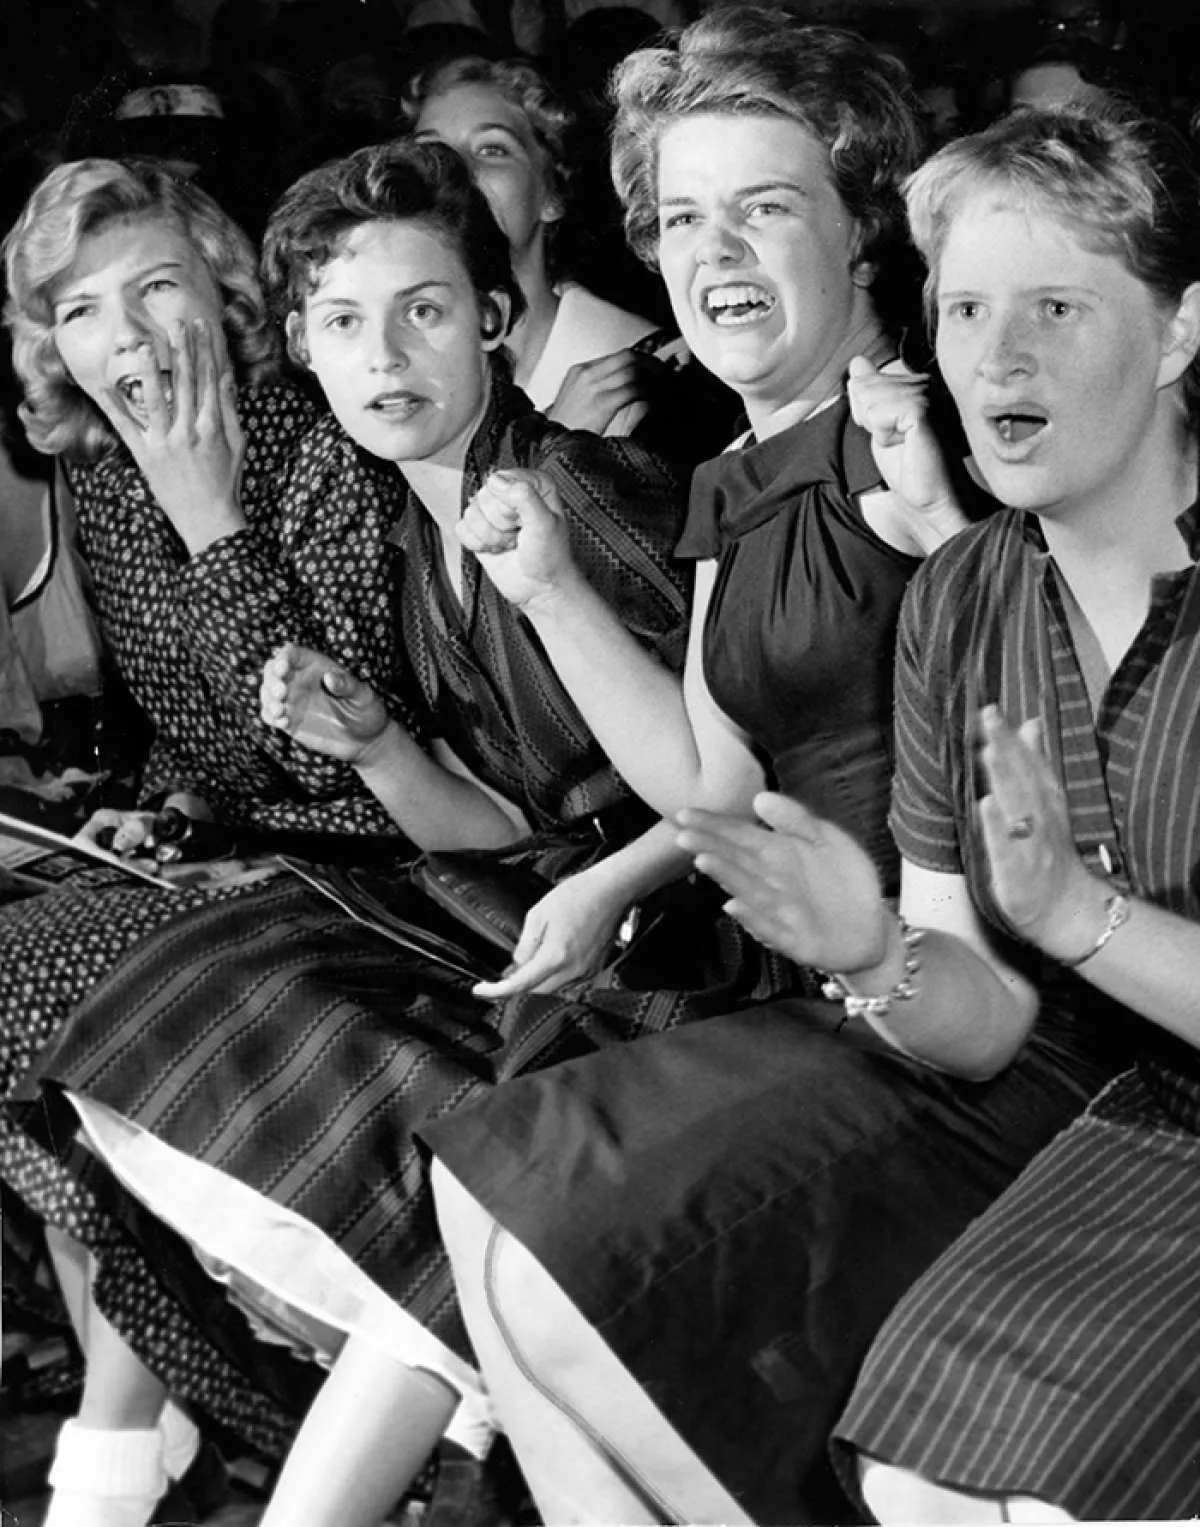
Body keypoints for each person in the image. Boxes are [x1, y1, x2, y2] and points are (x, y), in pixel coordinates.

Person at [421, 56, 1169, 1527]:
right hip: (840, 968)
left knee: (539, 1216)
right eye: (686, 220)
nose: (716, 254)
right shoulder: (735, 472)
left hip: (996, 1001)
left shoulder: (928, 429)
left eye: (764, 208)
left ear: (863, 230)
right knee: (485, 1181)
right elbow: (707, 781)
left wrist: (944, 507)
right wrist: (552, 588)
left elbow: (1076, 653)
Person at [7, 136, 690, 1527]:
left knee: (109, 983)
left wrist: (215, 526)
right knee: (59, 978)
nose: (124, 338)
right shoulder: (134, 475)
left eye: (152, 290)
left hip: (529, 908)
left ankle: (137, 1445)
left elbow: (697, 778)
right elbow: (312, 744)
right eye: (78, 310)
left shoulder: (485, 475)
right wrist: (206, 784)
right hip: (457, 866)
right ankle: (153, 1419)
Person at [823, 102, 1200, 1527]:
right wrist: (869, 955)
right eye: (966, 307)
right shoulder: (963, 591)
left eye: (1055, 304)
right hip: (1142, 1117)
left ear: (1177, 334)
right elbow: (977, 1012)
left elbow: (1059, 935)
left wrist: (1077, 918)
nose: (997, 355)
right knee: (913, 1474)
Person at [405, 53, 668, 437]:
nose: (454, 171)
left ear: (552, 195)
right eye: (431, 152)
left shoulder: (645, 366)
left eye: (491, 149)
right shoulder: (394, 367)